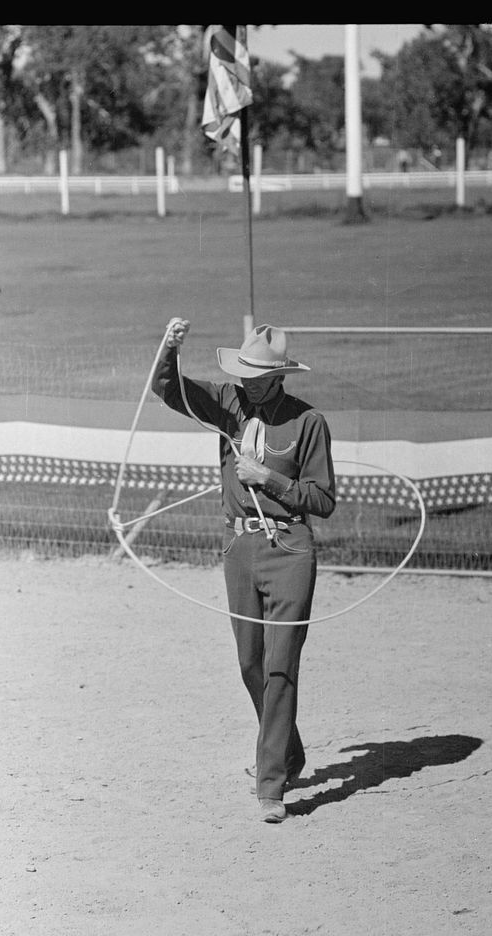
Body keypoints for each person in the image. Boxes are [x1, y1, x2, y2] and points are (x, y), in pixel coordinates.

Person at [152, 318, 336, 823]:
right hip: (239, 546)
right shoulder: (226, 405)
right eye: (244, 371)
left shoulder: (308, 422)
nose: (248, 380)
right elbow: (169, 390)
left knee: (281, 664)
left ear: (279, 377)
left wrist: (270, 478)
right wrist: (169, 351)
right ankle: (289, 753)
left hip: (290, 550)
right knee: (250, 664)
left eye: (258, 374)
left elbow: (322, 499)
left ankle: (271, 783)